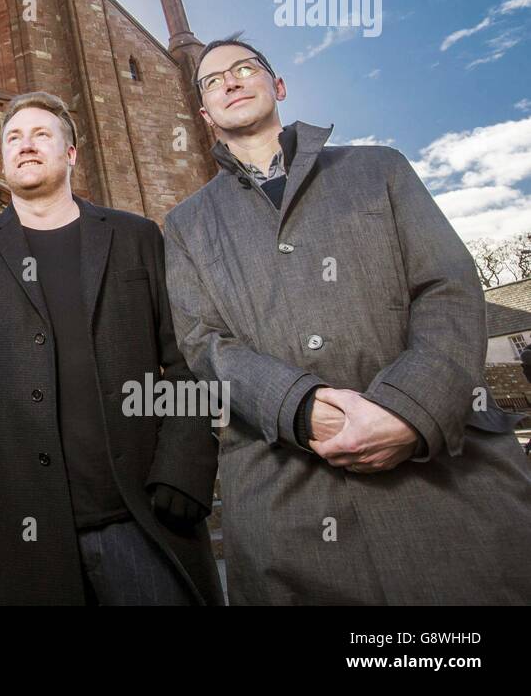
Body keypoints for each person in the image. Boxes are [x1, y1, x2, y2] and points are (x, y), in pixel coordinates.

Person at [164, 34, 531, 604]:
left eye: (245, 68)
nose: (231, 81)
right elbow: (205, 343)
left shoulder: (377, 169)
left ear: (277, 85)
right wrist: (303, 409)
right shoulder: (187, 223)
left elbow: (448, 291)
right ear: (205, 114)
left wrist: (410, 411)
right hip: (290, 501)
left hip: (449, 483)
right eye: (213, 80)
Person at [0, 90, 224, 605]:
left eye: (41, 134)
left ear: (71, 153)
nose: (25, 145)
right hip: (23, 521)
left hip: (144, 513)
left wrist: (186, 466)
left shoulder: (137, 237)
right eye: (13, 137)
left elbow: (189, 357)